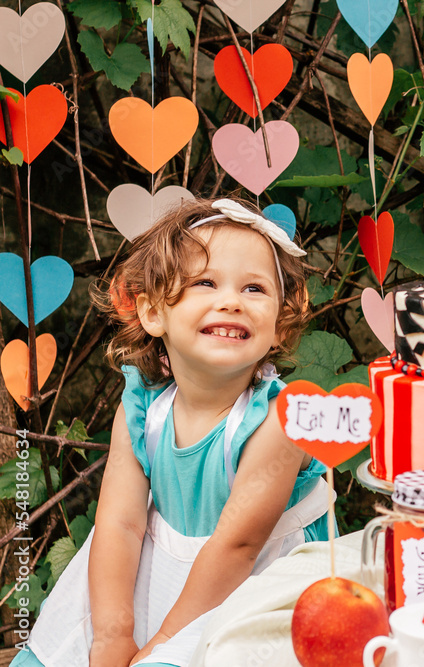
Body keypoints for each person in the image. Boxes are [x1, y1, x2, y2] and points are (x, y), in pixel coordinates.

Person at [13, 198, 330, 667]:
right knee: (70, 638)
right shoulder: (145, 408)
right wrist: (113, 637)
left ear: (280, 325)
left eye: (255, 289)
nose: (231, 301)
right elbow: (120, 526)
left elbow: (238, 547)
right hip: (166, 565)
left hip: (254, 578)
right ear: (152, 313)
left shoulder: (278, 419)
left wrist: (160, 642)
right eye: (205, 282)